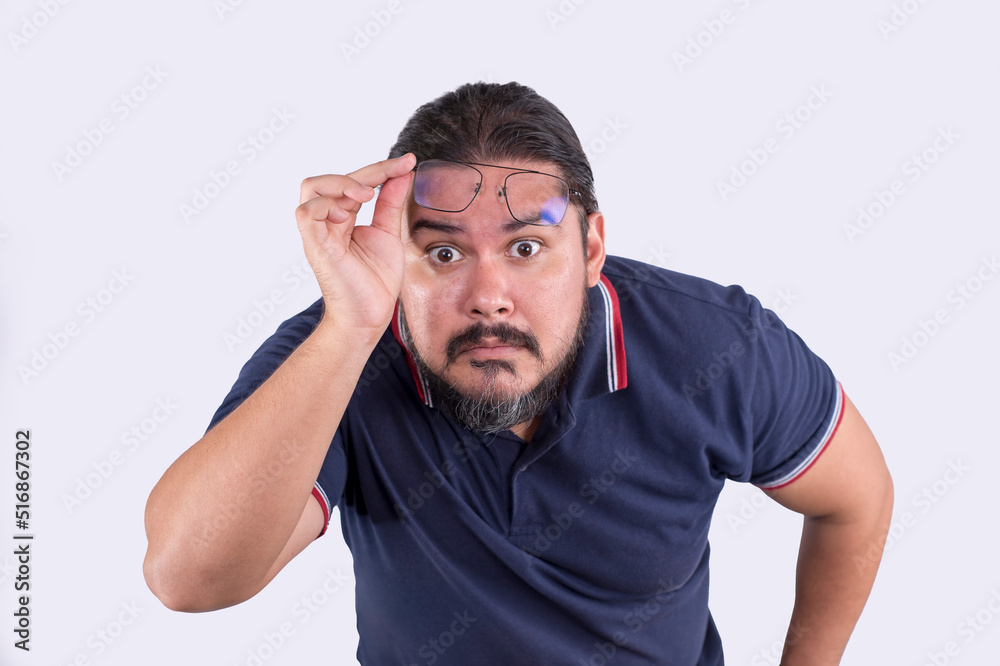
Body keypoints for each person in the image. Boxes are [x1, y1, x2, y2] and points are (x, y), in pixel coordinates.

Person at [143, 82, 893, 665]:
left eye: (526, 248)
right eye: (442, 252)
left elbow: (856, 499)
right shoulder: (338, 352)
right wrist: (348, 330)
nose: (487, 297)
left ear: (591, 246)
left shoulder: (717, 346)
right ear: (398, 257)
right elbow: (188, 579)